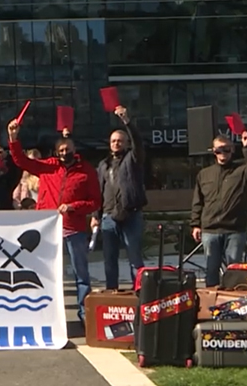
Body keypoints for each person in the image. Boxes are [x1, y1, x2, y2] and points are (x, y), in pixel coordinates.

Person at [8, 119, 101, 323]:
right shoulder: (48, 167)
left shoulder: (86, 171)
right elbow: (22, 161)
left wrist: (74, 207)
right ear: (56, 152)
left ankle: (84, 315)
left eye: (67, 150)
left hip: (74, 229)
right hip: (48, 230)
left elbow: (95, 201)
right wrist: (13, 139)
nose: (64, 153)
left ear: (74, 150)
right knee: (44, 273)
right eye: (60, 150)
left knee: (81, 274)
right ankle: (45, 314)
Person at [190, 131, 247, 287]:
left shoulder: (241, 170)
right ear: (213, 152)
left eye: (226, 149)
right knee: (211, 269)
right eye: (218, 150)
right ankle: (211, 297)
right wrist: (195, 224)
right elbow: (198, 201)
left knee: (234, 269)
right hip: (210, 229)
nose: (222, 154)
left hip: (234, 228)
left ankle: (233, 297)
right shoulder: (204, 174)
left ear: (232, 150)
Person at [91, 105, 147, 289]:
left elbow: (138, 143)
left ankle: (139, 291)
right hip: (108, 216)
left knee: (134, 257)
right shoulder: (103, 165)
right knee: (109, 258)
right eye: (113, 141)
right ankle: (112, 291)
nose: (116, 143)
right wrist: (95, 215)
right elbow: (98, 190)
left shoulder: (133, 159)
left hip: (131, 214)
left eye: (120, 141)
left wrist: (127, 122)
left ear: (126, 143)